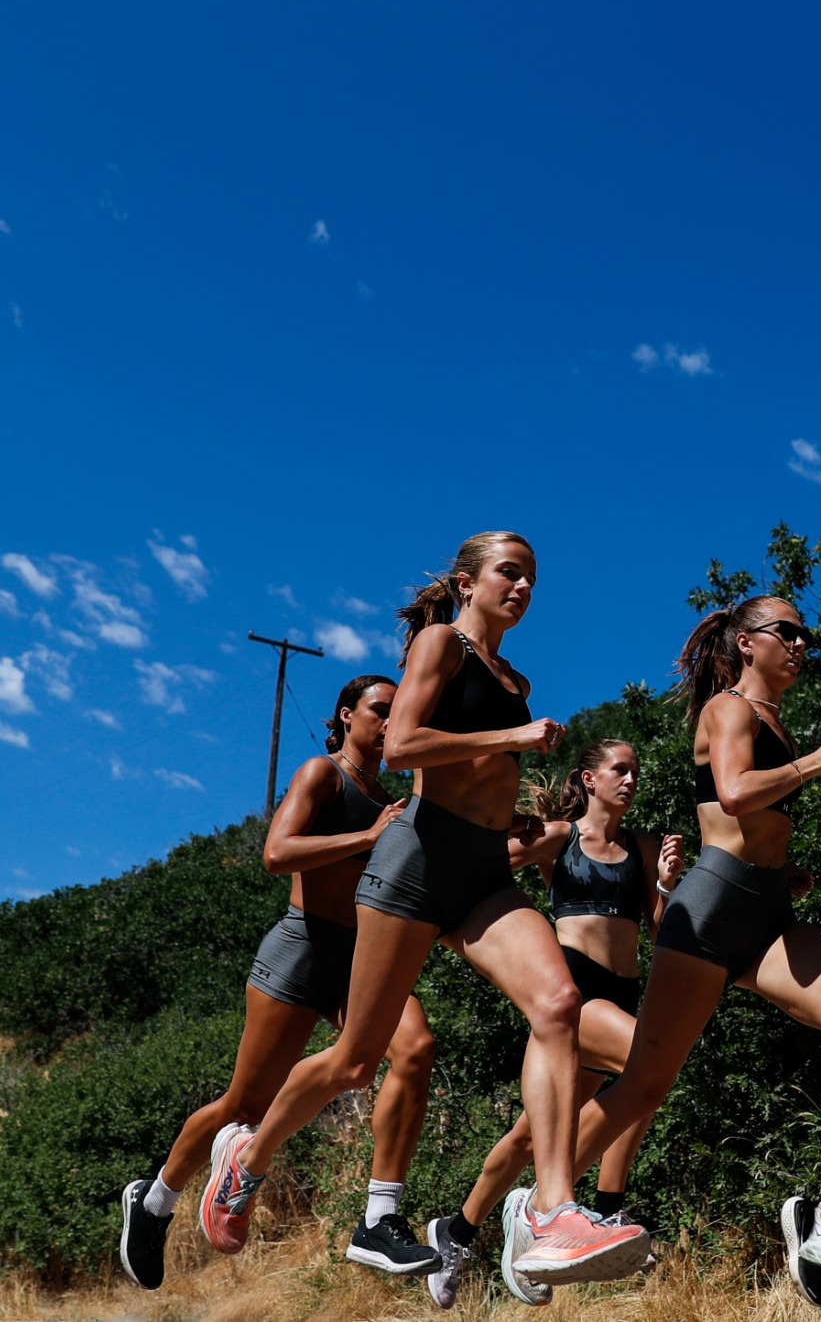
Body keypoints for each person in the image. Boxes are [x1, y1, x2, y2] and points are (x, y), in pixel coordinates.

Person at [195, 531, 648, 1286]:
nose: (524, 586)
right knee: (355, 1060)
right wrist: (515, 735)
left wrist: (518, 820)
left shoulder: (513, 676)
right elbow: (402, 743)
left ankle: (549, 1210)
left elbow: (476, 771)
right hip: (416, 862)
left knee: (560, 1001)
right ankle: (248, 1155)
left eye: (532, 576)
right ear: (468, 582)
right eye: (510, 572)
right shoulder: (443, 644)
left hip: (479, 873)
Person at [546, 596, 821, 1307]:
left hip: (767, 908)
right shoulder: (729, 710)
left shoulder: (773, 718)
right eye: (788, 631)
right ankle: (540, 1205)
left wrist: (784, 870)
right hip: (709, 909)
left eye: (807, 633)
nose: (803, 643)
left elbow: (755, 821)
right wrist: (816, 762)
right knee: (645, 1082)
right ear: (748, 643)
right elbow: (736, 794)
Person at [120, 674, 441, 1288]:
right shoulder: (324, 775)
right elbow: (276, 852)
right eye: (380, 709)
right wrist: (369, 836)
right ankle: (155, 1201)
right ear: (346, 715)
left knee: (415, 1049)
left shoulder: (393, 802)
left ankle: (379, 1217)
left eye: (400, 712)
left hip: (362, 959)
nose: (389, 720)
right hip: (302, 948)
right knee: (242, 1104)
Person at [423, 738, 683, 1309]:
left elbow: (661, 933)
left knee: (526, 1137)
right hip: (573, 991)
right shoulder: (561, 838)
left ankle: (456, 1234)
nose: (631, 779)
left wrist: (665, 883)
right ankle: (598, 1205)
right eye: (620, 769)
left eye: (635, 771)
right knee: (650, 1063)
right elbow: (482, 858)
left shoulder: (641, 846)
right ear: (589, 780)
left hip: (621, 992)